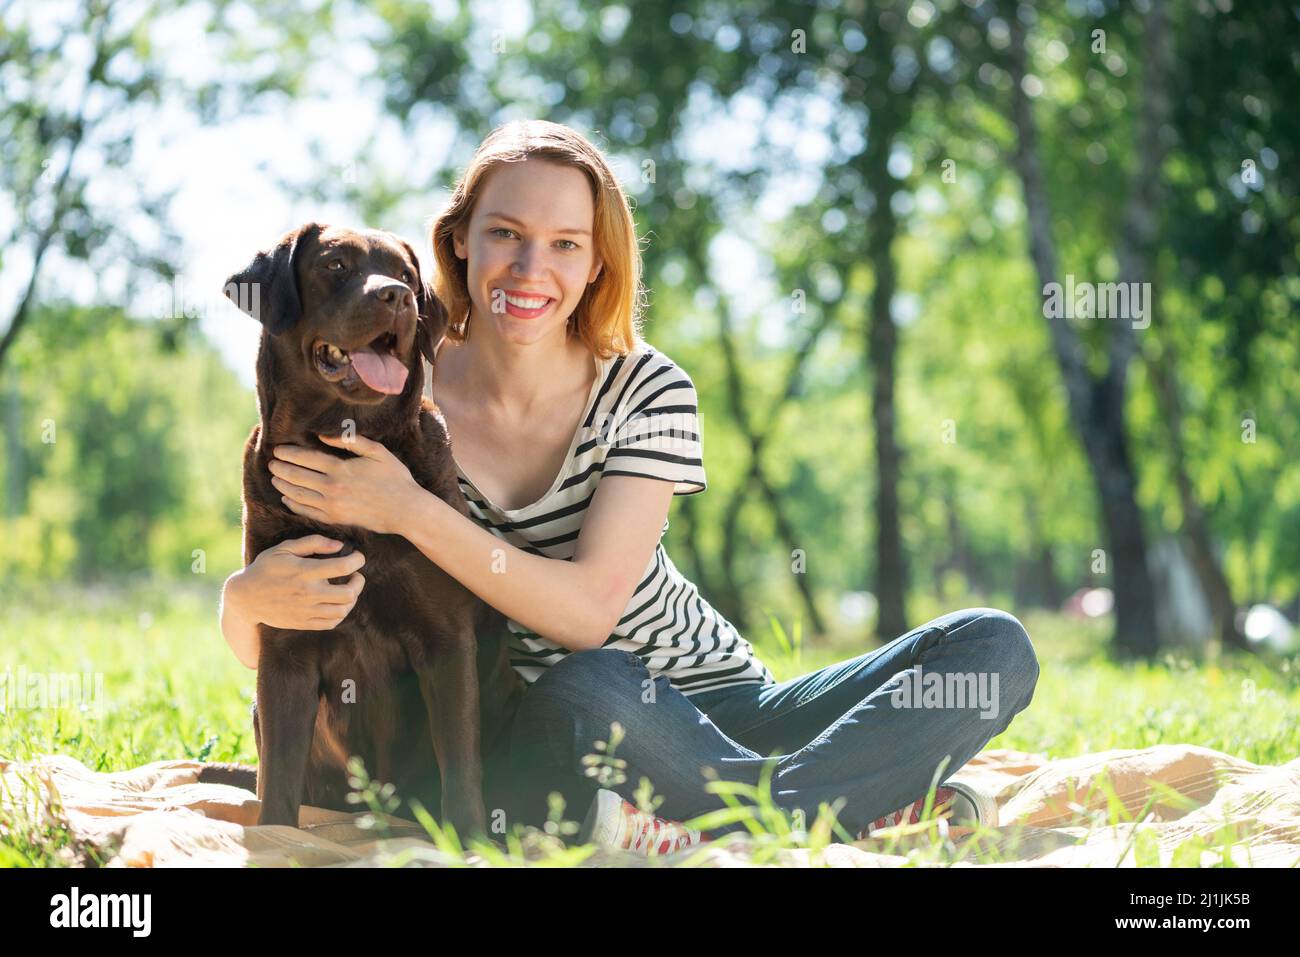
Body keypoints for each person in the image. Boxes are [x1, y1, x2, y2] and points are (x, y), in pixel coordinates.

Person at [218, 119, 1040, 855]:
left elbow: (586, 611)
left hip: (725, 700)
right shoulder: (394, 394)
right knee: (597, 679)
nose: (532, 267)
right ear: (460, 239)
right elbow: (309, 636)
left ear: (598, 258)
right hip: (568, 719)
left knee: (992, 646)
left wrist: (408, 511)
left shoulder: (649, 388)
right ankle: (849, 804)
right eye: (505, 233)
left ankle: (769, 811)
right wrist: (243, 598)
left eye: (567, 243)